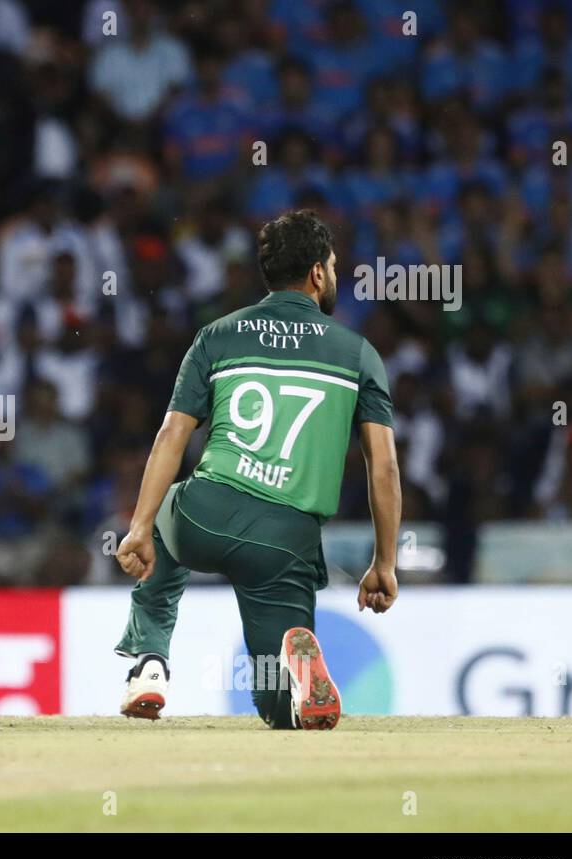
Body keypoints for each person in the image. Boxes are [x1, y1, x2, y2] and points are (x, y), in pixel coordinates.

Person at [114, 210, 401, 730]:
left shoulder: (217, 336)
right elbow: (383, 468)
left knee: (163, 512)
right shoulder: (358, 354)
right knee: (281, 709)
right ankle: (295, 669)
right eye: (333, 266)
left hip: (206, 513)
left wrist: (138, 528)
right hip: (286, 542)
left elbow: (172, 436)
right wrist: (384, 562)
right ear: (317, 273)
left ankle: (150, 663)